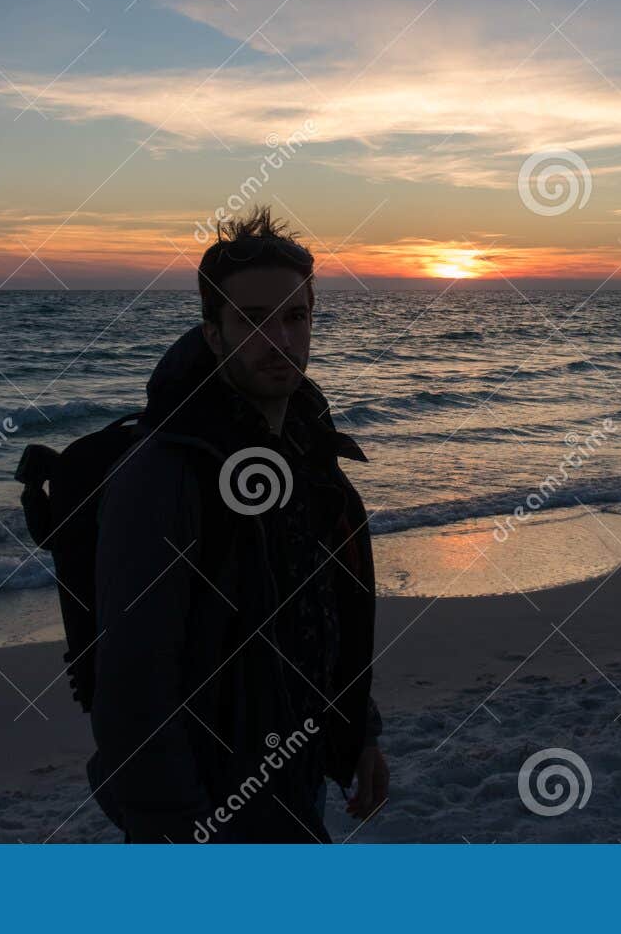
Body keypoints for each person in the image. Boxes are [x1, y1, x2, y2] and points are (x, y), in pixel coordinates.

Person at [86, 207, 387, 842]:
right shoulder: (166, 473)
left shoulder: (310, 455)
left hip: (296, 779)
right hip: (211, 800)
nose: (279, 340)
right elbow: (134, 676)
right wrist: (171, 825)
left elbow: (321, 614)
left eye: (294, 317)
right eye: (251, 319)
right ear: (214, 334)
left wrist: (360, 734)